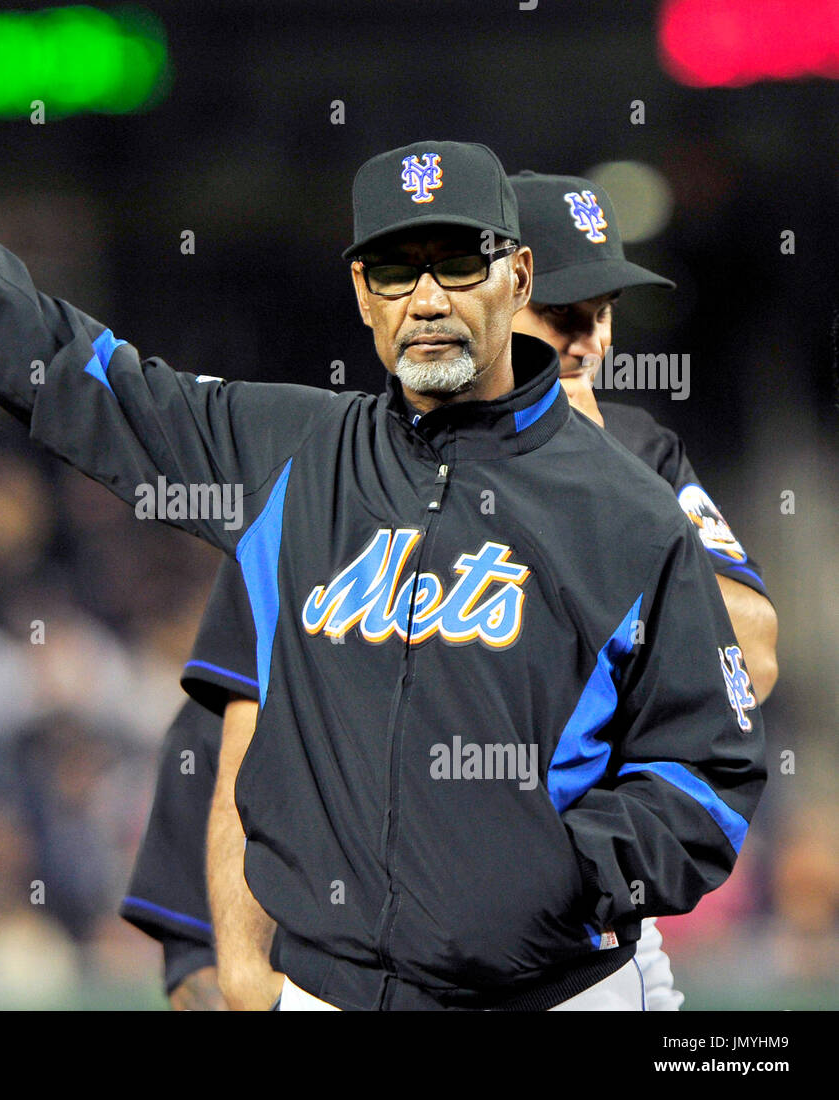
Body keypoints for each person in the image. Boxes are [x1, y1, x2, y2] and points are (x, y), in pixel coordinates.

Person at [0, 94, 766, 1010]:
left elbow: (710, 774)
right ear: (361, 294)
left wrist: (564, 874)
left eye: (455, 261)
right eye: (394, 268)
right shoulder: (293, 450)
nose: (425, 297)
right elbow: (81, 377)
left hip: (554, 994)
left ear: (515, 275)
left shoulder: (626, 507)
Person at [124, 170, 780, 1010]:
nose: (589, 345)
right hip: (352, 946)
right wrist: (239, 961)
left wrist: (571, 517)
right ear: (507, 297)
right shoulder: (341, 480)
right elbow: (247, 717)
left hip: (574, 945)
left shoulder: (634, 463)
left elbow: (750, 658)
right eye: (567, 318)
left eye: (604, 314)